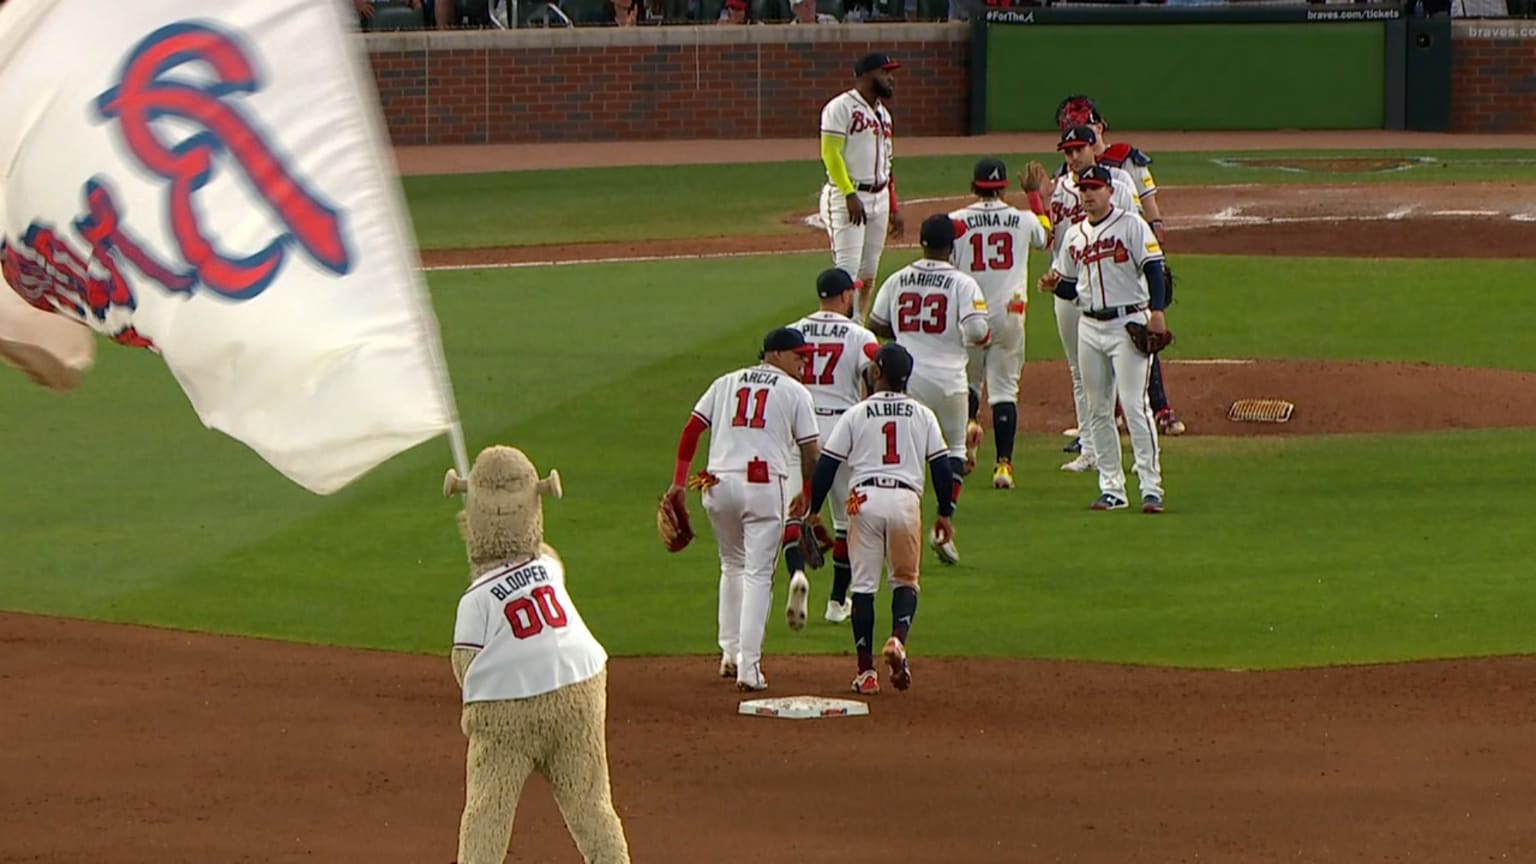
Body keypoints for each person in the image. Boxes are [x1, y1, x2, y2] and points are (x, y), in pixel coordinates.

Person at [667, 328, 821, 691]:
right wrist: (810, 494)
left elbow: (692, 429)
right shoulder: (795, 392)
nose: (803, 361)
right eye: (798, 355)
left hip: (716, 484)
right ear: (776, 354)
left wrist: (678, 482)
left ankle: (729, 653)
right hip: (764, 487)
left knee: (731, 564)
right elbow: (812, 452)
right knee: (757, 574)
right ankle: (749, 669)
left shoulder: (725, 382)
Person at [804, 343, 954, 695]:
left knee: (864, 588)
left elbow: (826, 465)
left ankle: (865, 673)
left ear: (876, 373)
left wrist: (813, 510)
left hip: (862, 500)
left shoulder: (856, 414)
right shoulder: (922, 414)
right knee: (905, 580)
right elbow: (942, 468)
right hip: (904, 500)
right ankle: (898, 640)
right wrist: (946, 512)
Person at [1038, 165, 1169, 514]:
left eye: (1094, 188)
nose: (1088, 194)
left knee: (1134, 404)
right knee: (1098, 409)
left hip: (1128, 322)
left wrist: (1157, 312)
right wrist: (1054, 285)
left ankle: (1151, 486)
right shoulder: (1075, 236)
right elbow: (1072, 286)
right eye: (1083, 189)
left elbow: (1155, 269)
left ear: (1110, 191)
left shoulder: (1131, 225)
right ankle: (1112, 488)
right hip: (1089, 327)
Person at [1057, 94, 1188, 438]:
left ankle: (1160, 407)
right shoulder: (1067, 176)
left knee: (1138, 335)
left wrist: (1154, 239)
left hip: (1128, 259)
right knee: (1099, 344)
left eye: (1082, 130)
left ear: (1098, 127)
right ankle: (1110, 416)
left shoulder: (1125, 162)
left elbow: (1148, 207)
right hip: (1092, 269)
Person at [868, 213, 990, 564]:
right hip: (950, 380)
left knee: (905, 456)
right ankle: (944, 523)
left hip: (907, 377)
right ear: (952, 246)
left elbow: (877, 323)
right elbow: (979, 331)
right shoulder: (963, 283)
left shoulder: (898, 278)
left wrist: (912, 338)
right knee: (953, 451)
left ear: (922, 242)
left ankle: (896, 529)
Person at [784, 268, 881, 624]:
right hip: (843, 430)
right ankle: (837, 602)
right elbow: (878, 357)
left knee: (794, 511)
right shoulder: (858, 334)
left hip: (801, 428)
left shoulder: (795, 330)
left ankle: (797, 572)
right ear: (843, 296)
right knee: (846, 522)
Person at [947, 157, 1050, 490]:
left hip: (970, 313)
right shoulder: (1022, 220)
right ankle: (1004, 465)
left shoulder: (956, 222)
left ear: (974, 186)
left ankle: (965, 439)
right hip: (1010, 313)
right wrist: (1035, 197)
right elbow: (1046, 237)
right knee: (1005, 390)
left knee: (969, 384)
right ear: (1004, 186)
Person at [1046, 125, 1140, 475]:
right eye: (1067, 152)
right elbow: (1051, 241)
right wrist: (1037, 201)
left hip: (1117, 291)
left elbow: (1135, 232)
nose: (1072, 158)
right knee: (1080, 373)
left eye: (1077, 150)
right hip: (1070, 287)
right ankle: (1090, 450)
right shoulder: (1057, 190)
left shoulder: (1119, 184)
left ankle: (1142, 454)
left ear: (1092, 147)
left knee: (1128, 377)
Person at [819, 52, 907, 322]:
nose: (891, 78)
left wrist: (893, 205)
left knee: (868, 273)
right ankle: (836, 330)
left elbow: (887, 164)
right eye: (885, 72)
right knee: (845, 274)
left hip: (879, 196)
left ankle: (856, 327)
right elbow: (830, 153)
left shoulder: (883, 114)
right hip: (849, 196)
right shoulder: (840, 107)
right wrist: (848, 193)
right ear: (867, 75)